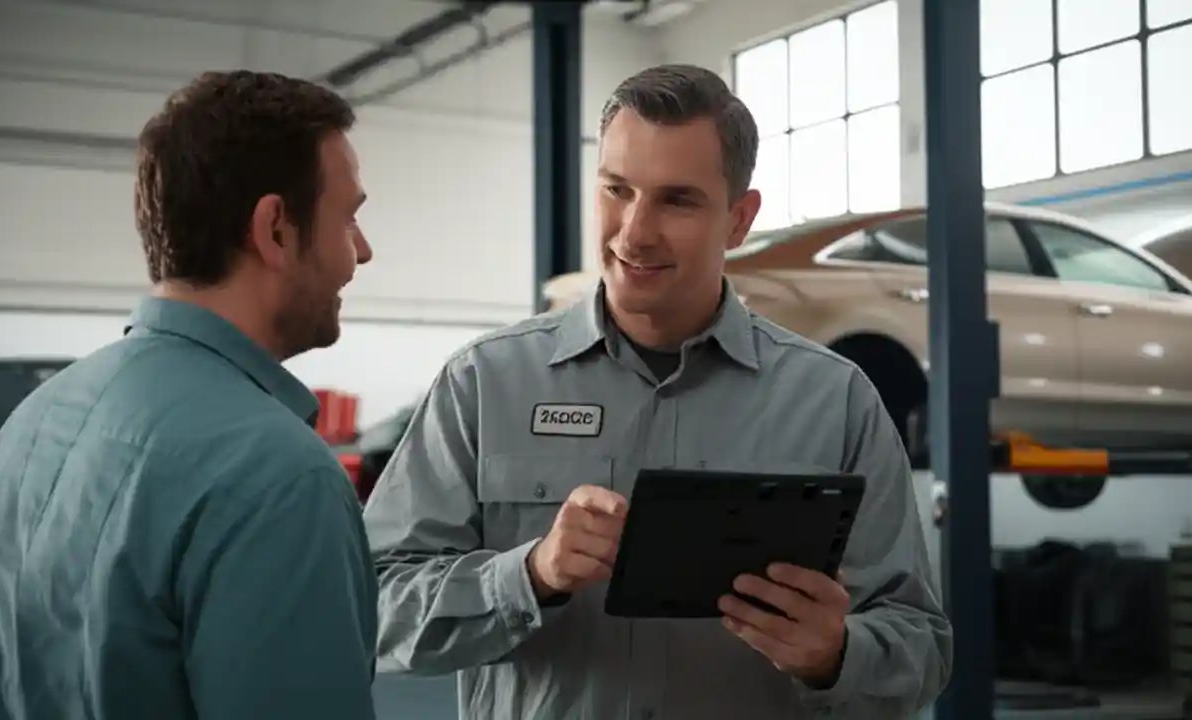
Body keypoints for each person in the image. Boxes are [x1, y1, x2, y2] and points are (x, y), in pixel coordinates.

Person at [364, 63, 952, 718]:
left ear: (739, 218)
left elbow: (920, 647)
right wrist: (530, 575)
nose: (634, 232)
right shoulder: (484, 383)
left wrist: (834, 654)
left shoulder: (834, 401)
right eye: (617, 190)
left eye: (677, 200)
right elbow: (375, 610)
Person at [0, 70, 378, 720]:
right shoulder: (278, 476)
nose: (362, 251)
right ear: (274, 228)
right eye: (348, 217)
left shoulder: (31, 425)